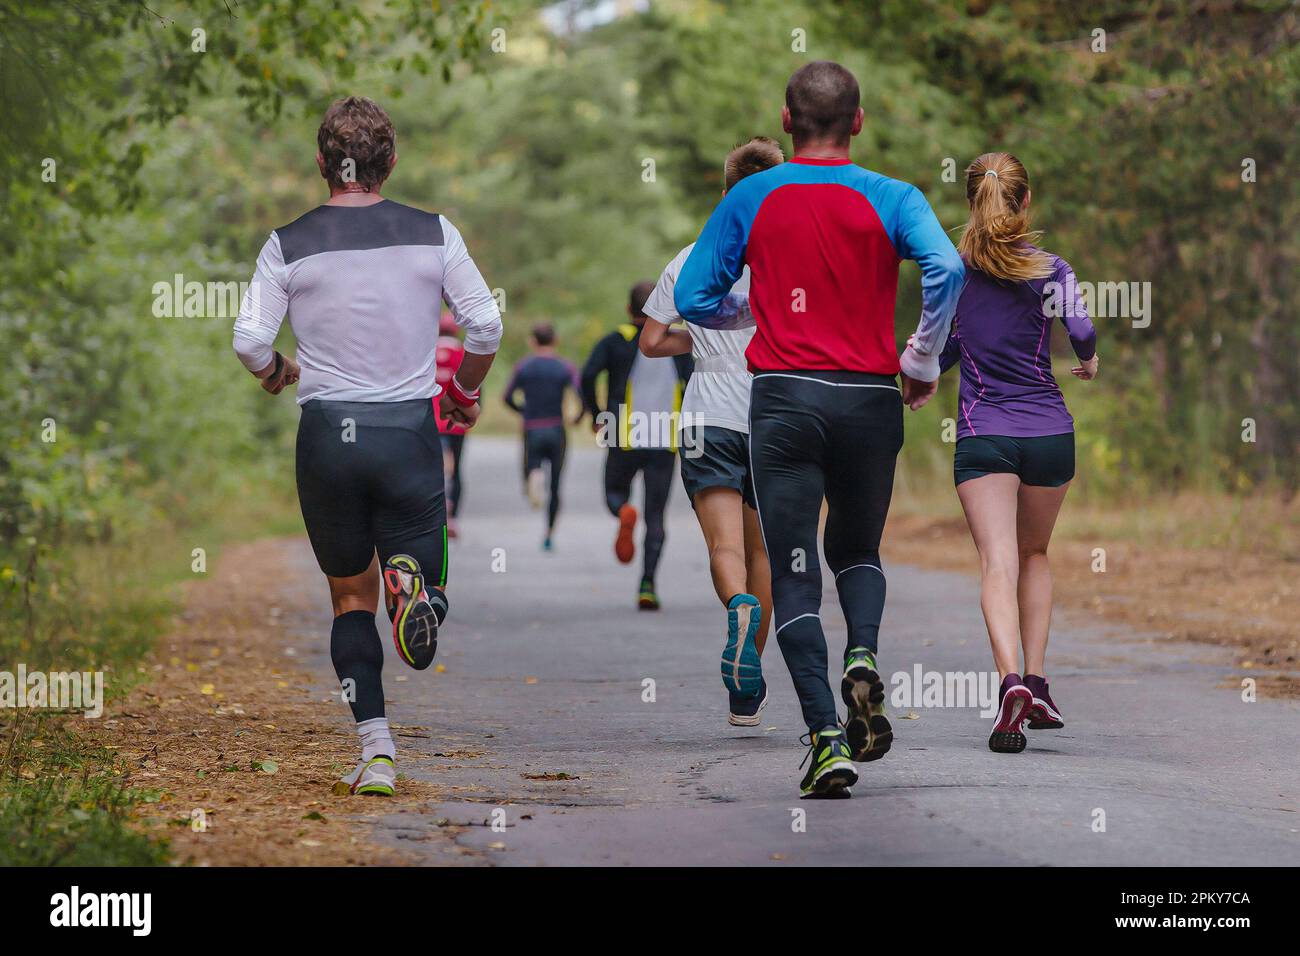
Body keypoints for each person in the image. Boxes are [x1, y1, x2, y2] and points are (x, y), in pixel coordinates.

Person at [674, 62, 964, 797]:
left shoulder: (751, 196)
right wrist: (922, 358)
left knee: (794, 565)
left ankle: (826, 738)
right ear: (858, 121)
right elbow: (947, 268)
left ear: (787, 119)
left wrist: (756, 314)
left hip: (784, 402)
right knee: (858, 549)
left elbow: (691, 295)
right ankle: (861, 656)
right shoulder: (894, 197)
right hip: (869, 398)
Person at [232, 96, 502, 797]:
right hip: (408, 431)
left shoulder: (286, 242)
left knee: (349, 599)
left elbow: (248, 341)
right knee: (422, 574)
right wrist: (464, 394)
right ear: (391, 163)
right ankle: (418, 595)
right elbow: (485, 326)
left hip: (328, 436)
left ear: (322, 163)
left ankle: (377, 753)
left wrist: (277, 374)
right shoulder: (433, 232)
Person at [935, 152, 1097, 754]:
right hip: (1050, 433)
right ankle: (1037, 679)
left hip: (984, 434)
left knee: (997, 563)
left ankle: (1009, 685)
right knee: (1035, 554)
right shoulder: (1052, 269)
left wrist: (916, 381)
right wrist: (1089, 358)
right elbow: (1080, 332)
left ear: (970, 200)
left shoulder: (952, 271)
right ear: (1026, 201)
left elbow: (944, 350)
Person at [639, 136, 783, 727]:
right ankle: (747, 685)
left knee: (724, 549)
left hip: (706, 417)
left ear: (724, 192)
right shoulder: (786, 259)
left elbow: (650, 342)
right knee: (764, 551)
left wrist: (695, 340)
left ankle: (737, 606)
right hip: (773, 415)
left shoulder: (692, 256)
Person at [580, 284, 693, 610]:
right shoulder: (680, 342)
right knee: (656, 516)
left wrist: (596, 412)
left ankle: (623, 512)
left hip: (623, 433)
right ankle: (648, 585)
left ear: (630, 311)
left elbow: (587, 375)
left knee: (614, 493)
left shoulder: (616, 340)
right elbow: (695, 381)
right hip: (666, 437)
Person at [502, 322, 581, 550]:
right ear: (555, 341)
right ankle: (548, 534)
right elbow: (580, 395)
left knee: (530, 468)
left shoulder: (523, 367)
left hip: (532, 428)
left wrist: (523, 411)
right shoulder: (565, 368)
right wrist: (577, 417)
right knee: (556, 486)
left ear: (532, 341)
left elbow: (506, 397)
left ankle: (534, 476)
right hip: (556, 428)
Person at [435, 312, 468, 538]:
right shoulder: (461, 352)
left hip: (428, 418)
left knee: (431, 468)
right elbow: (471, 382)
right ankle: (452, 516)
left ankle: (433, 514)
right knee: (455, 468)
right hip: (455, 419)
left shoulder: (427, 350)